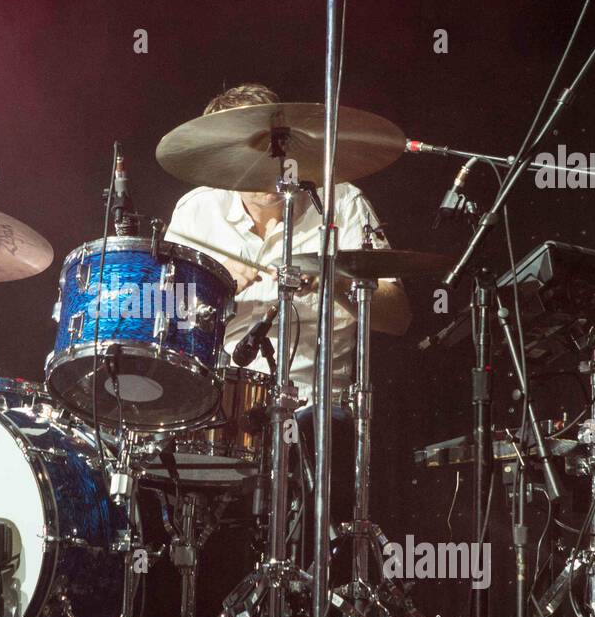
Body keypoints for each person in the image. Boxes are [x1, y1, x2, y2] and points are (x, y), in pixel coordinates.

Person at [164, 82, 411, 400]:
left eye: (273, 148)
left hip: (317, 404)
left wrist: (330, 281)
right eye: (250, 153)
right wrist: (210, 287)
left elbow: (398, 318)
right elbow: (158, 320)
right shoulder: (196, 211)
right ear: (221, 158)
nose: (266, 163)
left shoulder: (343, 202)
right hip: (219, 402)